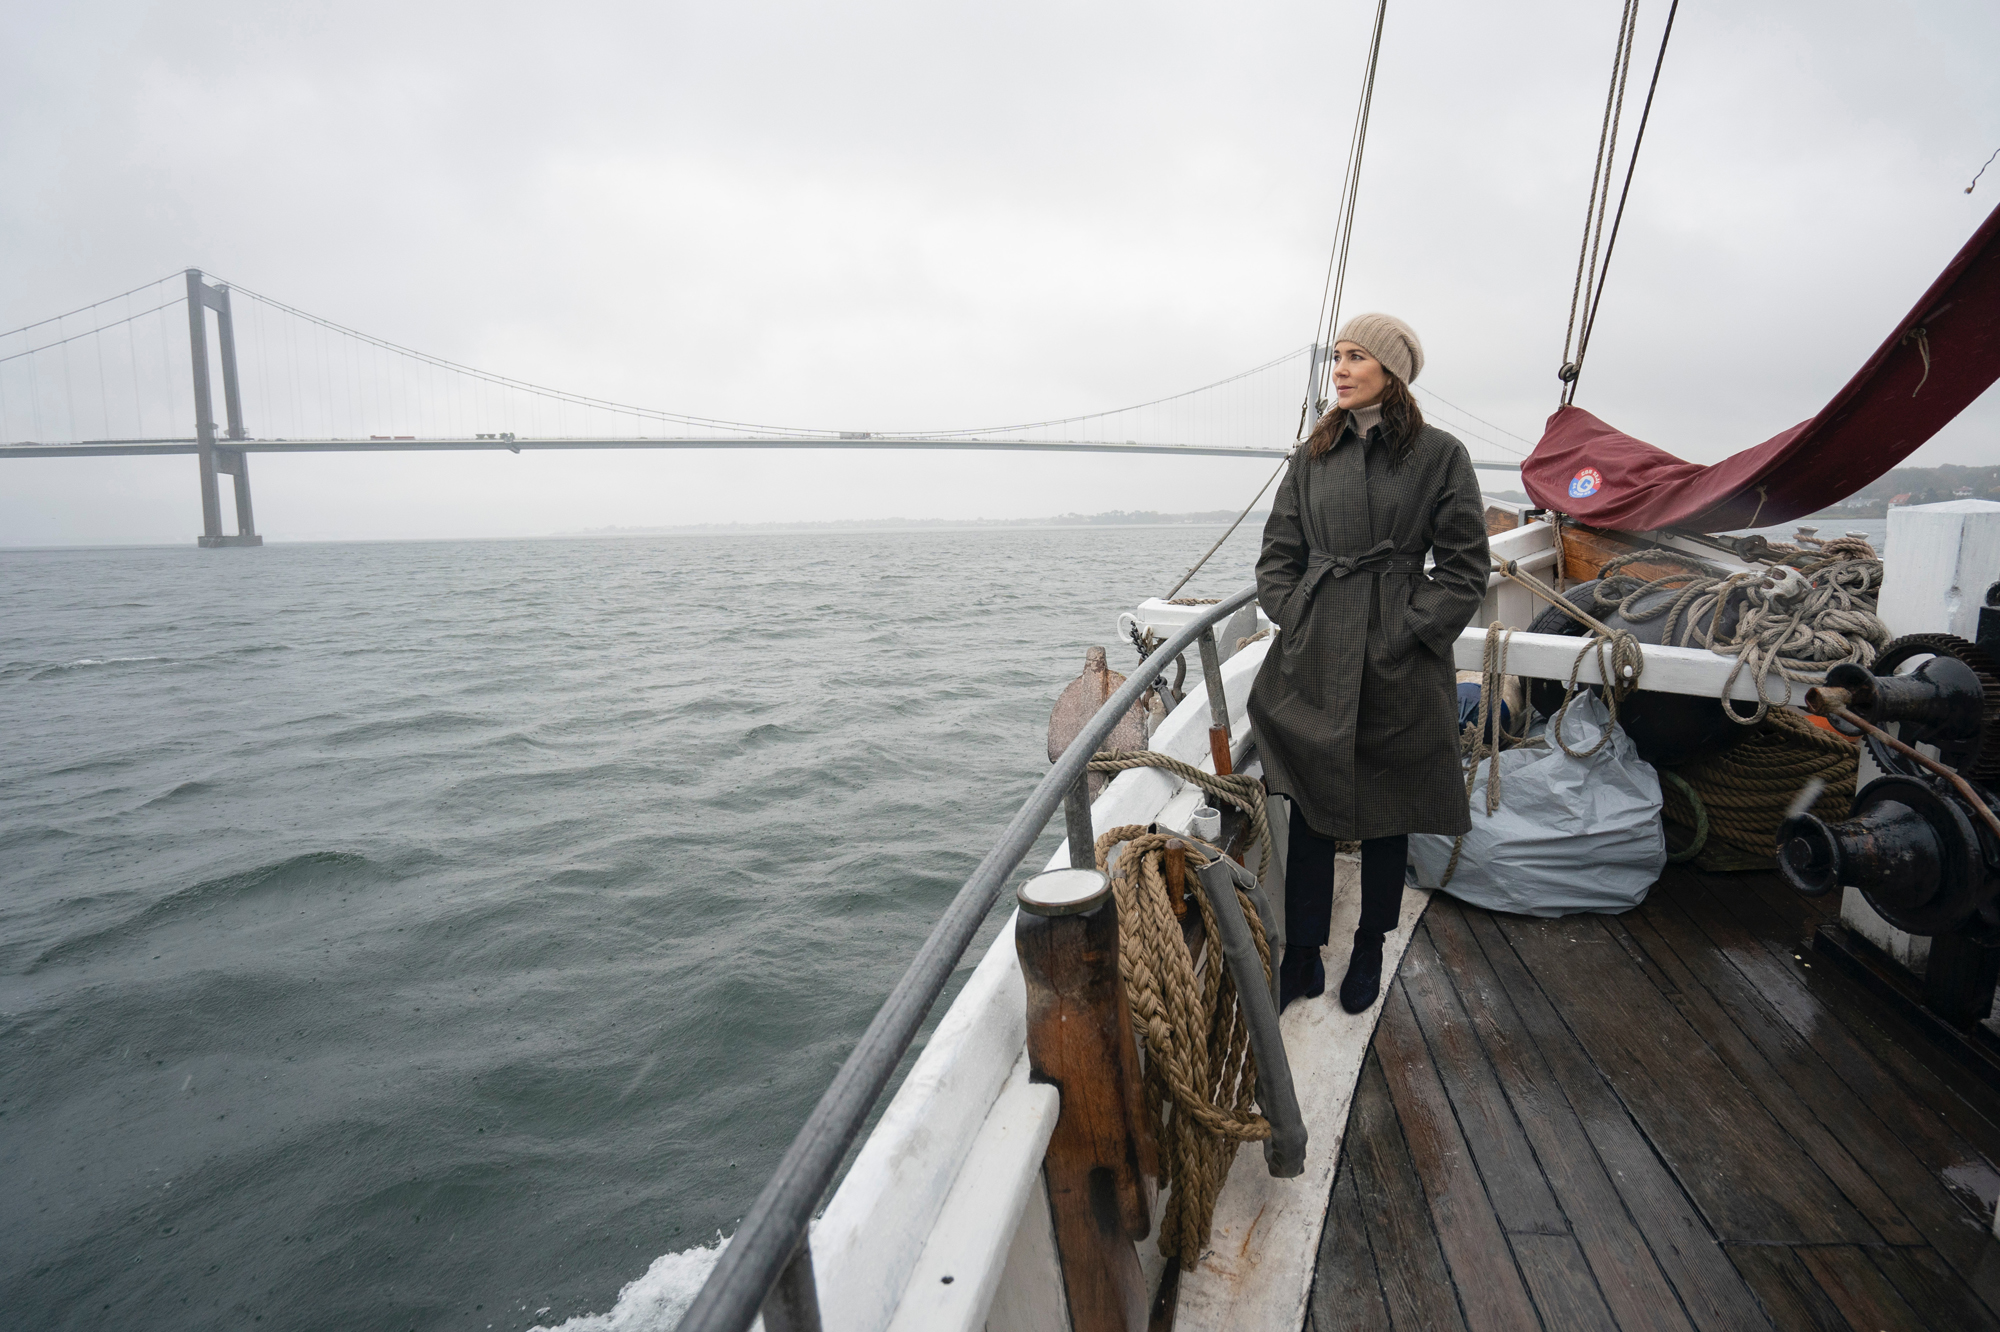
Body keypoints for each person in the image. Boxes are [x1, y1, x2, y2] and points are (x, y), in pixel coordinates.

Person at [1247, 313, 1489, 1014]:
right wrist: (1295, 613)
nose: (1342, 369)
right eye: (1338, 357)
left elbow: (1466, 567)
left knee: (1389, 813)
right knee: (1310, 804)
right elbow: (1277, 556)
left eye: (1357, 358)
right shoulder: (1311, 455)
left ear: (1392, 372)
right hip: (1313, 649)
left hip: (1399, 659)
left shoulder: (1440, 455)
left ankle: (1369, 949)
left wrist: (1407, 632)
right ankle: (1301, 958)